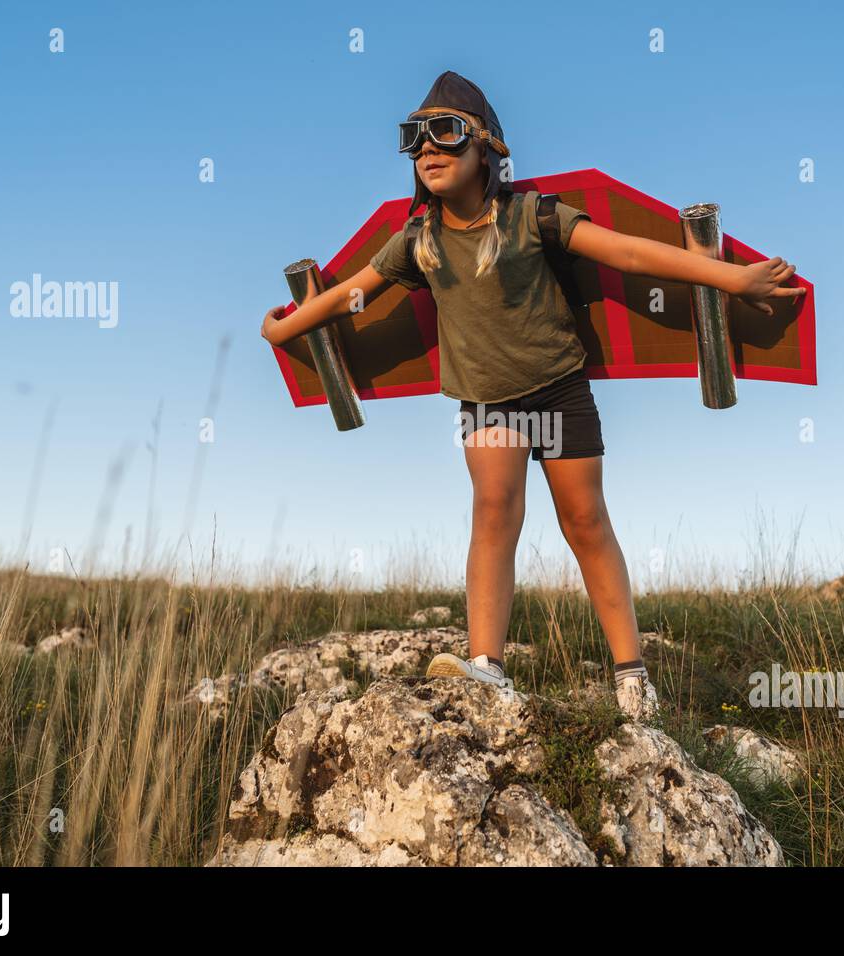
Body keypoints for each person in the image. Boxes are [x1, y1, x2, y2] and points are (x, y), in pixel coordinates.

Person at [261, 71, 804, 723]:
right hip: (487, 405)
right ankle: (487, 668)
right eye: (414, 138)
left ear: (486, 148)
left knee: (585, 523)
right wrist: (284, 327)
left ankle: (632, 677)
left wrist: (735, 278)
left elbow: (630, 254)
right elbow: (351, 294)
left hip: (558, 392)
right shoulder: (417, 241)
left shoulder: (533, 217)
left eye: (446, 133)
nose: (428, 149)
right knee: (493, 513)